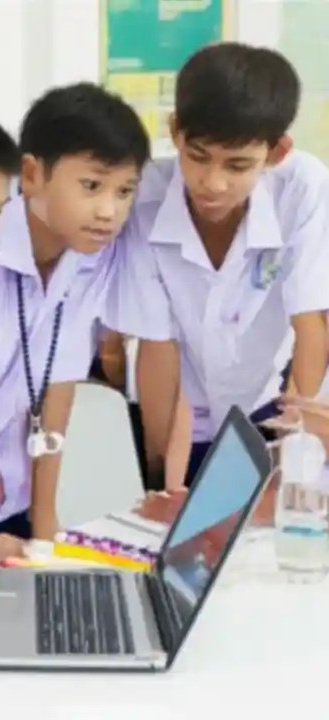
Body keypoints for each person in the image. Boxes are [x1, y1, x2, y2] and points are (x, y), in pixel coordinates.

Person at [106, 42, 329, 489]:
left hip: (266, 411)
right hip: (176, 419)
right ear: (175, 132)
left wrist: (294, 455)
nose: (213, 182)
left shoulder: (302, 187)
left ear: (277, 152)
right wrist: (157, 477)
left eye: (238, 165)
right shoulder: (145, 196)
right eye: (198, 156)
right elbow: (157, 348)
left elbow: (311, 323)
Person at [0, 82, 149, 544]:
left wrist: (45, 535)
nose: (109, 210)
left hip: (7, 506)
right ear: (31, 175)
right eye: (91, 186)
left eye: (125, 191)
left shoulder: (90, 259)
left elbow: (56, 394)